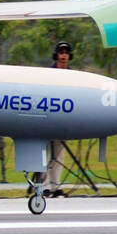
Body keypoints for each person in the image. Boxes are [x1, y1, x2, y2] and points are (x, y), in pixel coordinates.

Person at [44, 41, 71, 196]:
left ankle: (56, 185)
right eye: (61, 52)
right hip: (48, 119)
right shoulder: (49, 74)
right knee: (45, 153)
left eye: (66, 53)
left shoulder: (73, 75)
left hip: (64, 120)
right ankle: (45, 186)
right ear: (56, 55)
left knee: (59, 154)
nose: (63, 56)